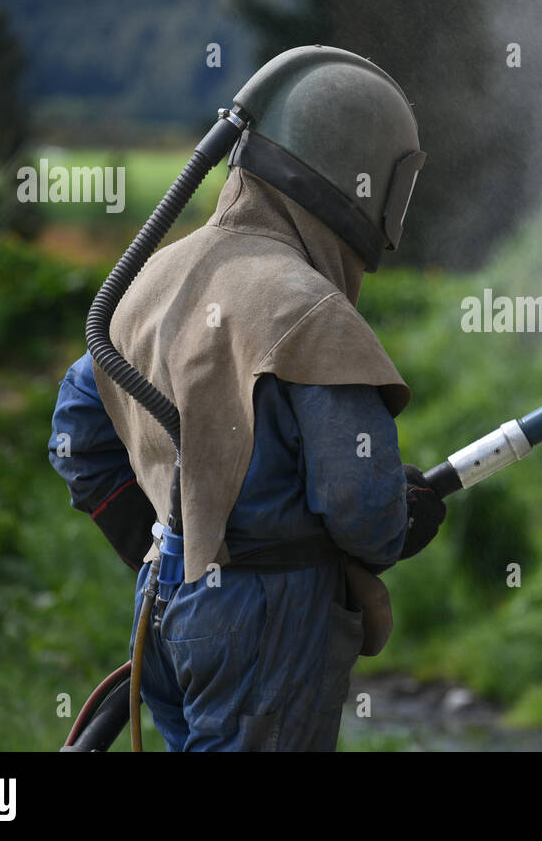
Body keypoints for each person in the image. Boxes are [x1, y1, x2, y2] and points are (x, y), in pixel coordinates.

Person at [48, 45, 445, 750]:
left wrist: (166, 545)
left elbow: (77, 431)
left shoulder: (158, 277)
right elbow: (360, 505)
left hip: (163, 616)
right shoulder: (308, 313)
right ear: (364, 179)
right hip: (265, 626)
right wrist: (401, 517)